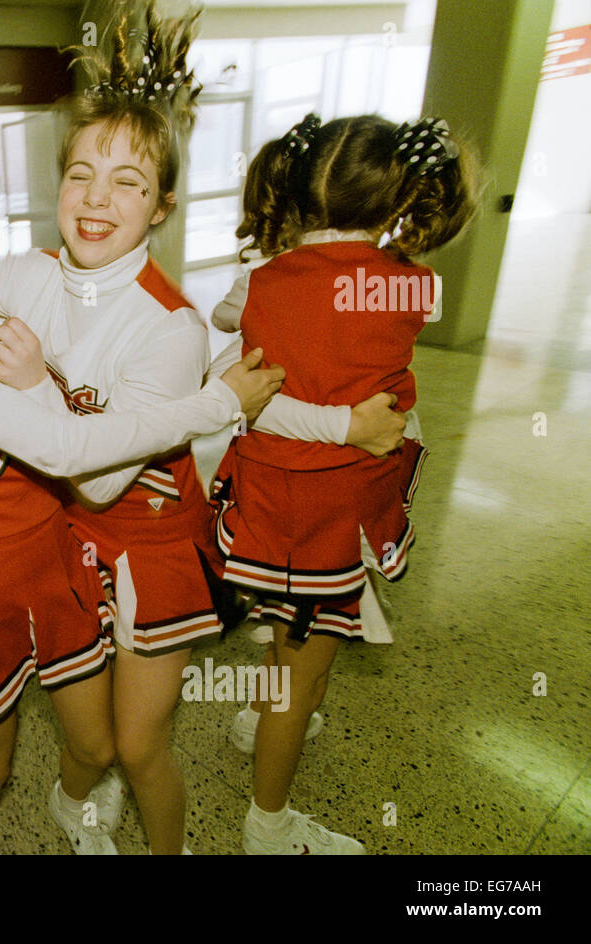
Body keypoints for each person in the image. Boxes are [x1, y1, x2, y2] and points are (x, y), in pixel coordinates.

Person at [0, 114, 283, 853]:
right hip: (54, 535)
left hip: (130, 536)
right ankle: (17, 802)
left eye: (129, 182)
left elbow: (101, 482)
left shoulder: (172, 327)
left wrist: (33, 384)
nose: (96, 198)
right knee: (69, 738)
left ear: (163, 204)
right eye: (81, 174)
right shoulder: (27, 275)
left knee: (130, 745)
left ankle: (84, 798)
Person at [209, 111, 475, 853]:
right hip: (337, 511)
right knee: (306, 665)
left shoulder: (255, 283)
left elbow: (232, 354)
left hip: (268, 502)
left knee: (289, 638)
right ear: (395, 200)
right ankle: (268, 823)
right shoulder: (415, 289)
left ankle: (265, 714)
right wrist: (346, 422)